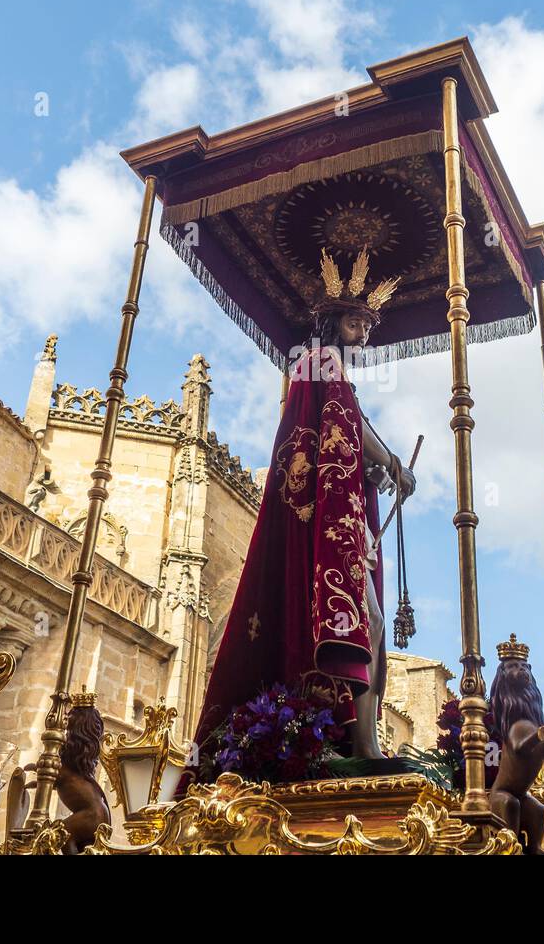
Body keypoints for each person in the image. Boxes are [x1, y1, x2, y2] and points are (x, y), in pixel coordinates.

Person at [189, 248, 414, 769]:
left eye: (368, 319)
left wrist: (375, 471)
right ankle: (364, 744)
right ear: (334, 317)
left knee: (373, 622)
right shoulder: (320, 364)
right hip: (327, 534)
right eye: (356, 317)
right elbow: (349, 429)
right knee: (369, 620)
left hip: (335, 522)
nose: (364, 326)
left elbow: (342, 439)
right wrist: (395, 465)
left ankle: (363, 738)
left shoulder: (322, 372)